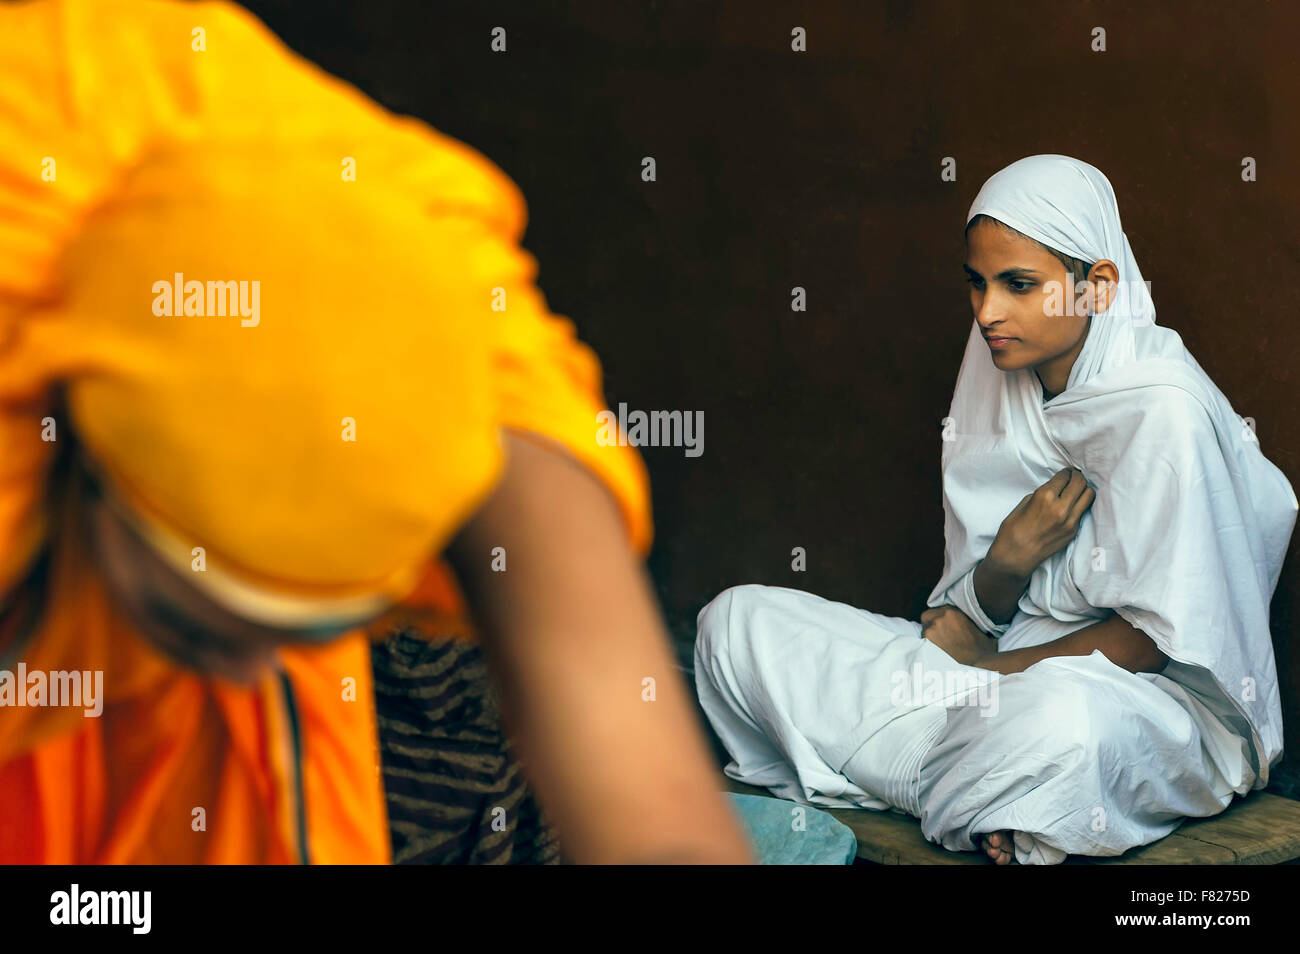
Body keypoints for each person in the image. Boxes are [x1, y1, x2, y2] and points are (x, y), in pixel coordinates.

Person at [0, 0, 752, 865]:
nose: (245, 672)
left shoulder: (437, 301)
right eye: (201, 628)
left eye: (308, 627)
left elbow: (658, 825)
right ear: (81, 459)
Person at [695, 154, 1297, 864]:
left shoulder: (1164, 409)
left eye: (1018, 285)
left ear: (1096, 288)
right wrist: (1004, 567)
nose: (988, 312)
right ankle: (971, 790)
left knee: (1064, 727)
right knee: (736, 624)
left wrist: (985, 668)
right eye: (977, 284)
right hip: (988, 678)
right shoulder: (997, 363)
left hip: (1143, 703)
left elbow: (1150, 645)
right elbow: (961, 617)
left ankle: (952, 773)